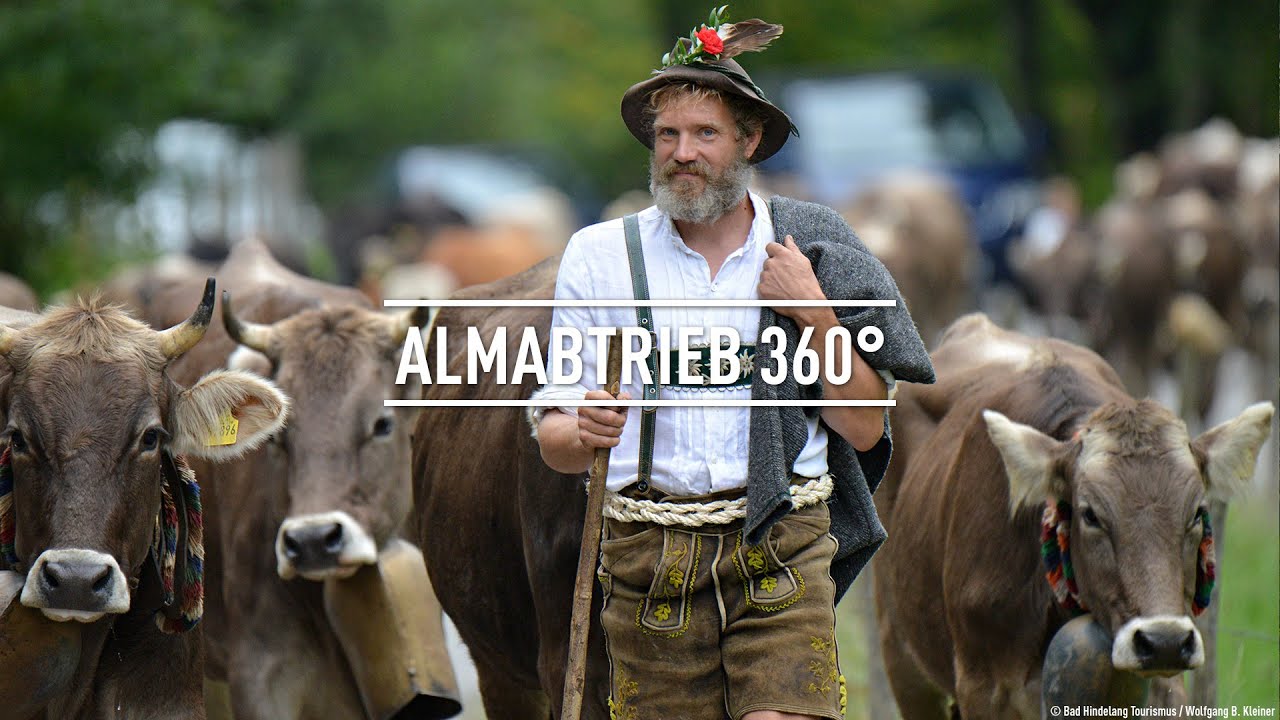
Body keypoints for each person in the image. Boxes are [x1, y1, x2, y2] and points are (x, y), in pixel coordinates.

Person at [532, 8, 934, 719]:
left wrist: (815, 313)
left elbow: (865, 428)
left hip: (779, 545)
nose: (682, 153)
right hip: (648, 557)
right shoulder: (599, 256)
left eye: (705, 134)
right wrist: (582, 428)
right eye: (668, 134)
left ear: (749, 141)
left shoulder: (811, 246)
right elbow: (554, 441)